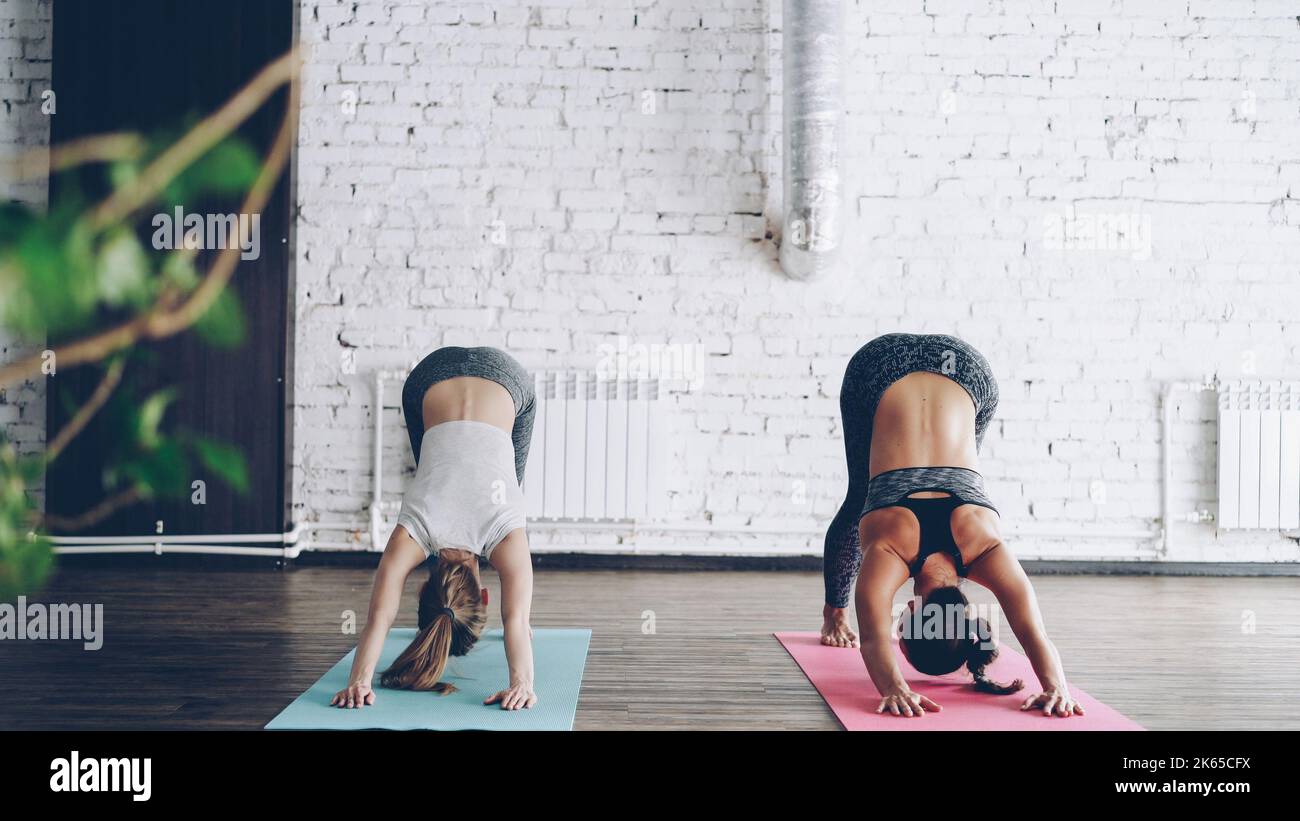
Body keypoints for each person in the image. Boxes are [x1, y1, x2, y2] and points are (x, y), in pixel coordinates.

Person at [821, 333, 1084, 718]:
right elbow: (873, 641)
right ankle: (835, 615)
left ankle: (832, 612)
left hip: (968, 369)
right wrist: (894, 687)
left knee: (905, 464)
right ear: (908, 615)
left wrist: (1056, 687)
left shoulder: (987, 549)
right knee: (859, 495)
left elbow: (1034, 633)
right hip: (878, 367)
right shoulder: (888, 551)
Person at [331, 346, 539, 711]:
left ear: (485, 594)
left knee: (510, 483)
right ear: (425, 587)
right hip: (429, 376)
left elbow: (516, 621)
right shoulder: (412, 533)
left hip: (508, 379)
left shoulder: (507, 536)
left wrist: (523, 684)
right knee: (437, 458)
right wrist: (358, 682)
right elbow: (378, 618)